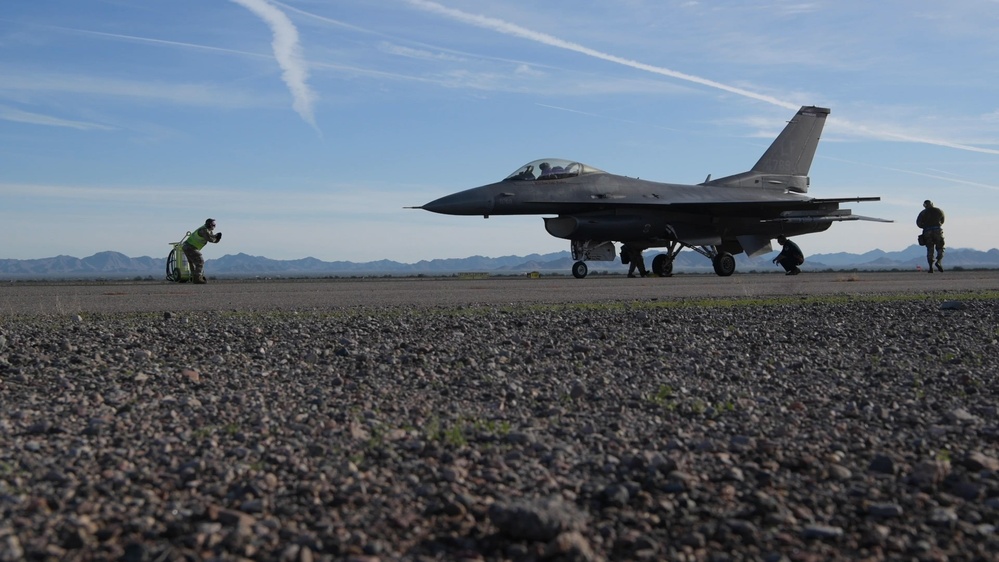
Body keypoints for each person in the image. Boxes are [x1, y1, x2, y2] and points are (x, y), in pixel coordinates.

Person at [182, 218, 222, 284]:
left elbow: (212, 238)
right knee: (200, 261)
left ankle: (194, 278)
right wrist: (217, 238)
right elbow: (210, 239)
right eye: (213, 225)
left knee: (192, 262)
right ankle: (197, 279)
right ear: (209, 225)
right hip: (190, 247)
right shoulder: (204, 230)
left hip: (188, 246)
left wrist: (217, 237)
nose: (214, 227)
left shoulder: (208, 231)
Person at [916, 199, 945, 273]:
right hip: (937, 230)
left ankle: (931, 268)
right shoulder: (939, 211)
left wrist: (925, 226)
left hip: (927, 231)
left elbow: (918, 223)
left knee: (930, 249)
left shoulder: (923, 213)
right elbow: (942, 220)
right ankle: (938, 261)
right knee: (940, 247)